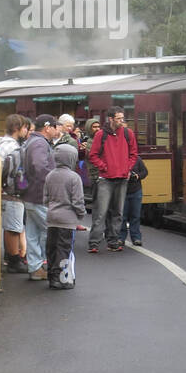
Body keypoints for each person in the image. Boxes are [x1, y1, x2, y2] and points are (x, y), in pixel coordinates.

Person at [88, 107, 137, 253]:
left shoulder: (128, 133)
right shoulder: (101, 135)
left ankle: (113, 241)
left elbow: (134, 154)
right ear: (110, 119)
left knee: (118, 212)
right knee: (101, 212)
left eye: (123, 118)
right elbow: (93, 155)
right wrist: (104, 167)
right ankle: (94, 242)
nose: (122, 121)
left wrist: (127, 168)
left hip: (121, 178)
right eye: (119, 119)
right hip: (105, 179)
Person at [23, 114, 61, 280]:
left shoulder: (31, 141)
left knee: (32, 232)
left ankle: (35, 268)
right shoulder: (40, 143)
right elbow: (39, 166)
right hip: (39, 195)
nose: (57, 130)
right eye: (55, 126)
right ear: (47, 127)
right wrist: (53, 182)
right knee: (50, 229)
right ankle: (47, 264)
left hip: (30, 194)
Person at [44, 142, 87, 290]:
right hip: (67, 220)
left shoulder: (50, 175)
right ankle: (60, 279)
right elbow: (78, 201)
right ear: (71, 158)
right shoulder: (74, 177)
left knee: (51, 247)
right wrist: (81, 214)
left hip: (51, 217)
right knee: (64, 248)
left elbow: (45, 198)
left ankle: (50, 275)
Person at [0, 114, 32, 273]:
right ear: (17, 128)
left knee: (14, 225)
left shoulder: (3, 144)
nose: (26, 131)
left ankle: (13, 258)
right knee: (13, 227)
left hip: (6, 190)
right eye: (25, 127)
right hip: (11, 192)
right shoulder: (12, 147)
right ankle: (13, 260)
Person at [122, 152, 149, 246]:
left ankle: (136, 238)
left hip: (136, 190)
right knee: (122, 216)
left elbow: (145, 172)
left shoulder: (137, 159)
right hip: (123, 191)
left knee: (135, 215)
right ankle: (121, 238)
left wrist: (137, 176)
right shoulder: (119, 159)